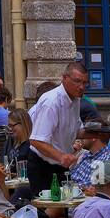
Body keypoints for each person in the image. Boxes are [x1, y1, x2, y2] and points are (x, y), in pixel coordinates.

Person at [26, 59, 87, 195]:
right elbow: (36, 140)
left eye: (84, 83)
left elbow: (76, 131)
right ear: (64, 78)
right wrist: (62, 157)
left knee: (65, 205)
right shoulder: (51, 102)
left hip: (60, 165)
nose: (82, 87)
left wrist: (98, 133)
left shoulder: (76, 100)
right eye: (77, 81)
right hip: (42, 165)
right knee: (49, 211)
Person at [69, 120, 110, 192]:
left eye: (85, 134)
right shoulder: (86, 155)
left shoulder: (108, 158)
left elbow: (95, 188)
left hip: (88, 200)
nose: (82, 138)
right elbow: (72, 177)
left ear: (94, 137)